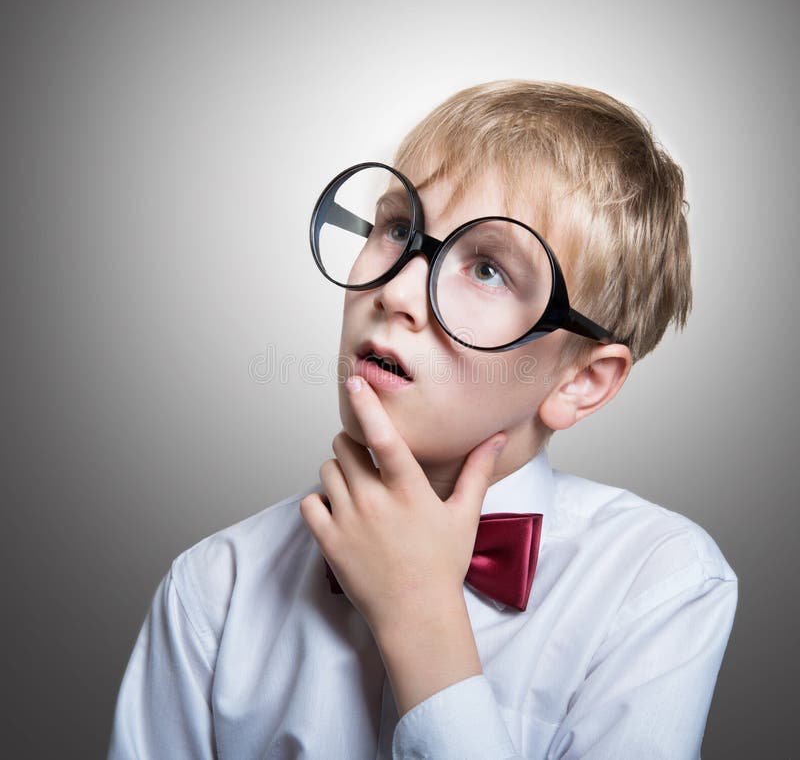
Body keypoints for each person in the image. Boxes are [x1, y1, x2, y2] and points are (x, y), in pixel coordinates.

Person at [108, 81, 737, 759]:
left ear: (579, 381)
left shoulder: (656, 583)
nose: (398, 290)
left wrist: (420, 618)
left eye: (490, 269)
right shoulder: (216, 587)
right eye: (398, 229)